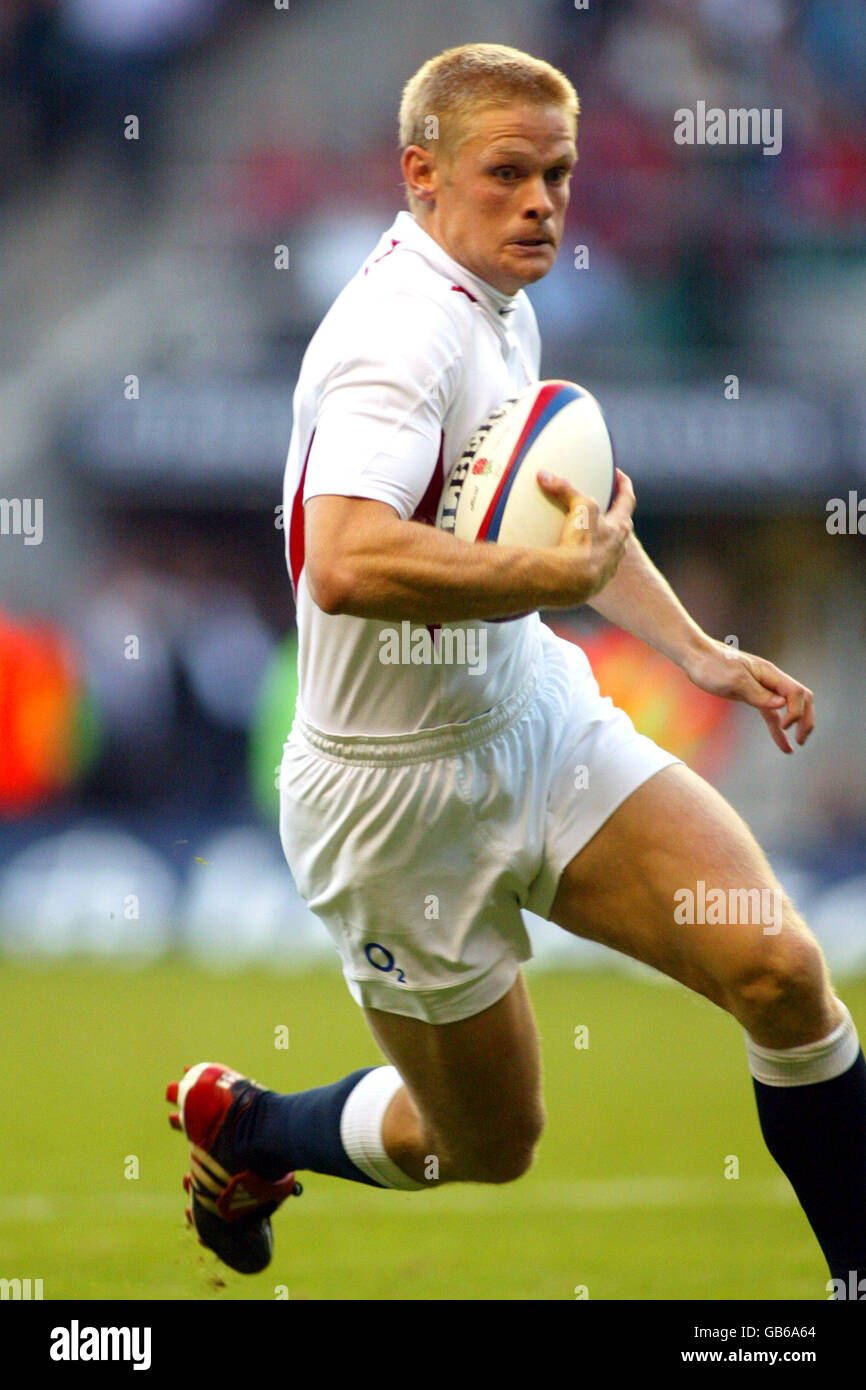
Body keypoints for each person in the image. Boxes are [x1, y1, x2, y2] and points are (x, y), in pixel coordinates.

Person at [166, 43, 865, 1295]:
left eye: (557, 174)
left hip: (534, 719)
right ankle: (258, 1130)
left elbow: (566, 520)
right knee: (484, 1147)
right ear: (421, 173)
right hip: (390, 801)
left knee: (778, 972)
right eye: (508, 174)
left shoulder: (500, 296)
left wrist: (696, 651)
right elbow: (339, 557)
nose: (541, 201)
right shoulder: (394, 337)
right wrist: (550, 587)